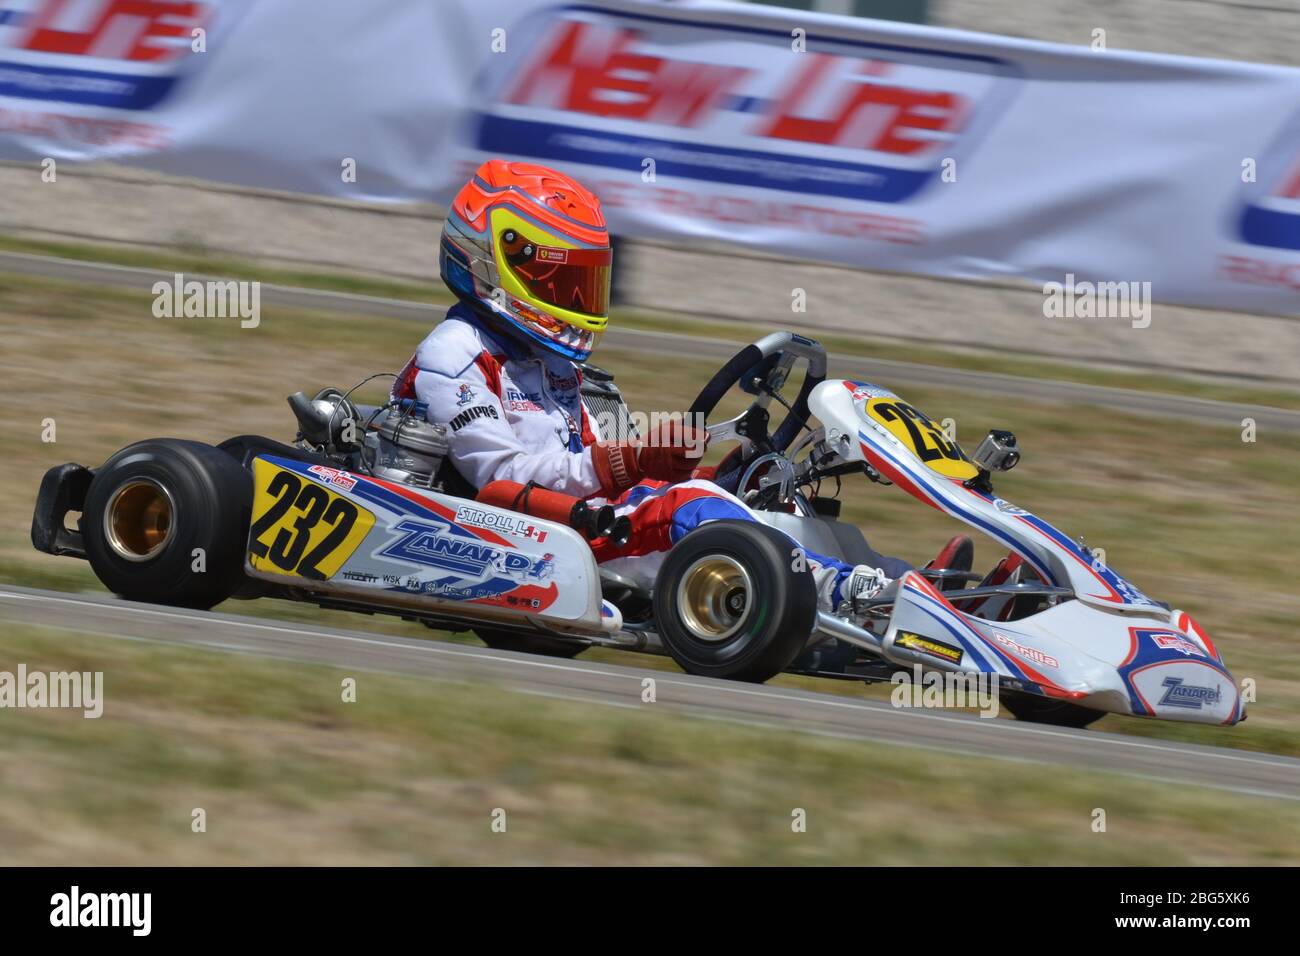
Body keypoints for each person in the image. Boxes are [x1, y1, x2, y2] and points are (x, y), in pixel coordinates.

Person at [393, 159, 918, 617]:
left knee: (763, 498)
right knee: (692, 504)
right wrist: (636, 461)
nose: (575, 300)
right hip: (527, 535)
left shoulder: (550, 361)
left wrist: (714, 470)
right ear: (494, 261)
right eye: (563, 282)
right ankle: (846, 595)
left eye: (583, 284)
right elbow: (502, 479)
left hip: (581, 518)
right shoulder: (454, 355)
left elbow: (590, 460)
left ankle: (909, 585)